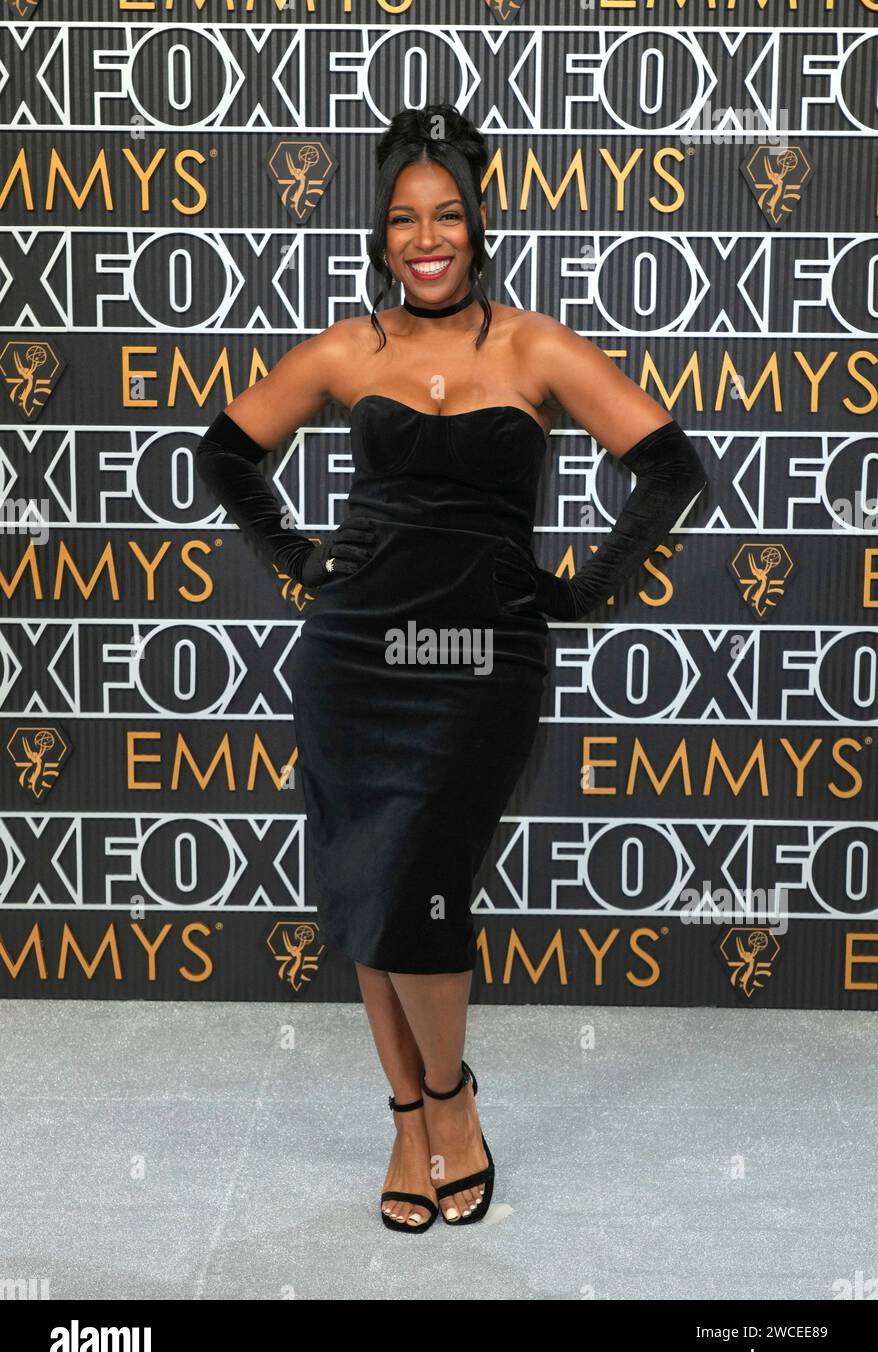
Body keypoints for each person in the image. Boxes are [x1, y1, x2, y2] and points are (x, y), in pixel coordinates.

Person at [195, 104, 708, 1233]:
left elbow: (671, 468)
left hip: (479, 664)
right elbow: (227, 449)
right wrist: (296, 557)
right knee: (372, 891)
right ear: (381, 236)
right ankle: (404, 1117)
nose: (424, 239)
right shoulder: (348, 348)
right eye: (400, 220)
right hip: (351, 659)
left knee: (424, 883)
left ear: (477, 224)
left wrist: (575, 590)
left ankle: (452, 1100)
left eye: (446, 216)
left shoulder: (533, 346)